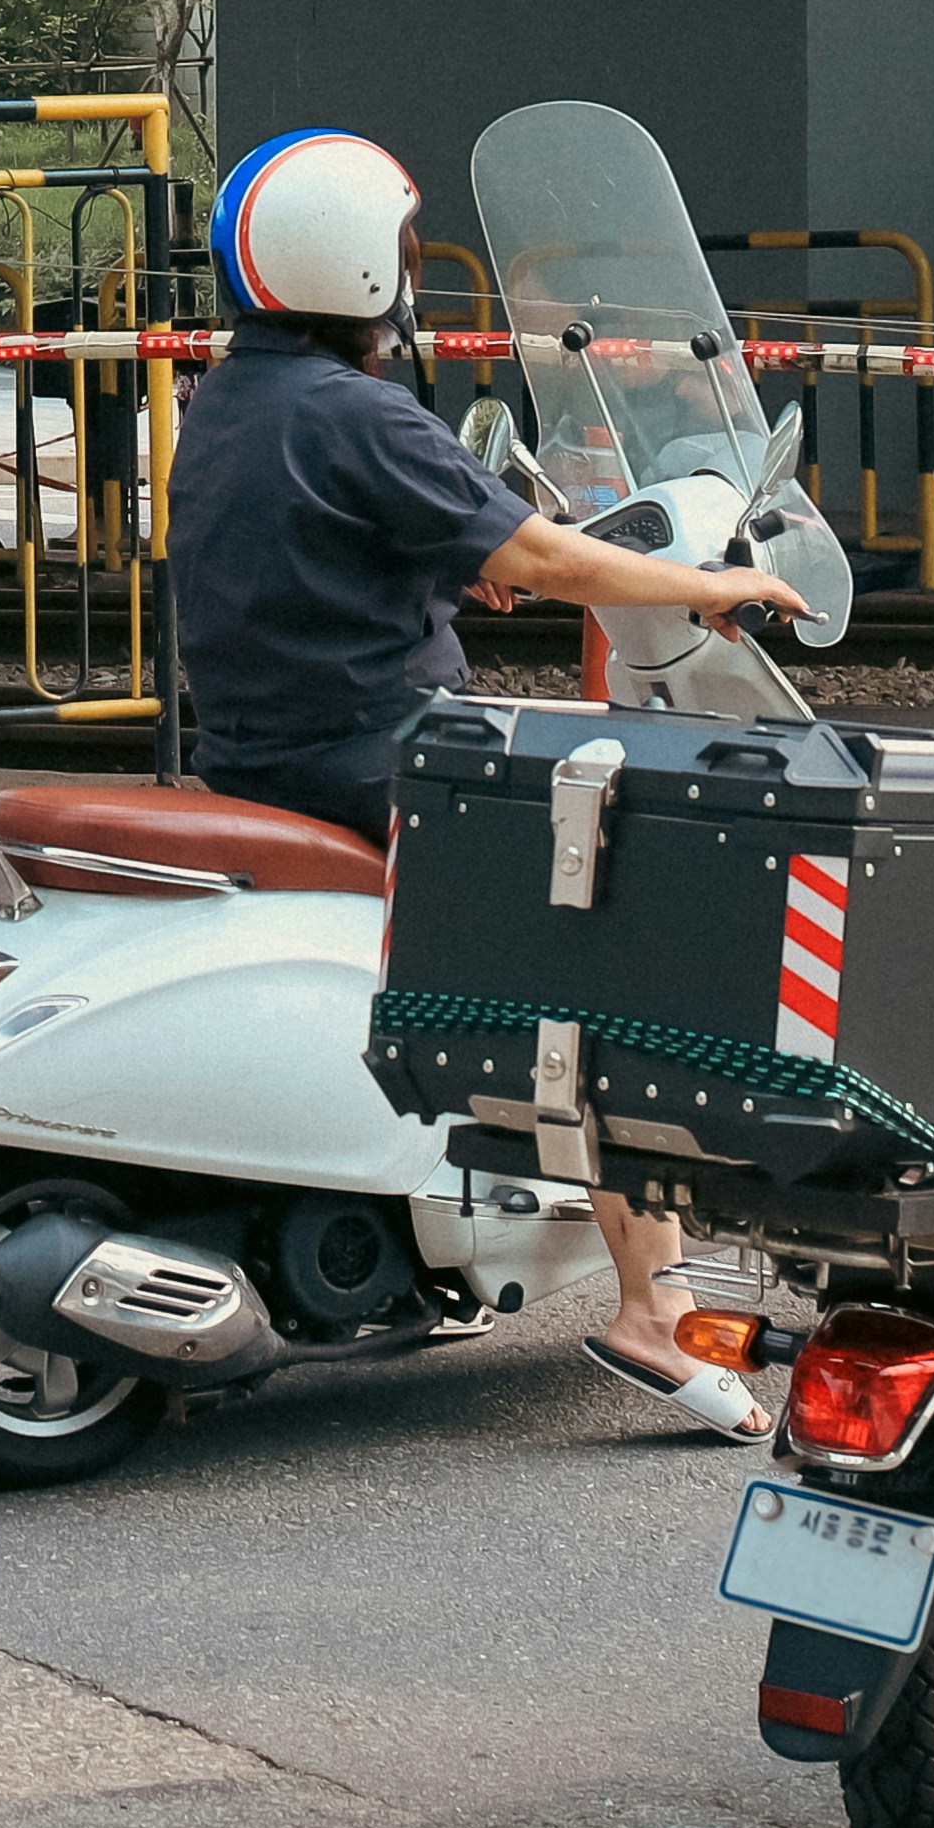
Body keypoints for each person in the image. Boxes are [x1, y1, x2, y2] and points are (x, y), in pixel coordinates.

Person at [174, 127, 813, 1431]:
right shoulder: (359, 411)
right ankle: (651, 1313)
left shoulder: (234, 398)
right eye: (404, 254)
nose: (414, 280)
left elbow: (344, 550)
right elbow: (564, 564)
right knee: (622, 956)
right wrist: (714, 582)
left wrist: (456, 562)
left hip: (266, 750)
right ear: (357, 268)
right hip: (382, 763)